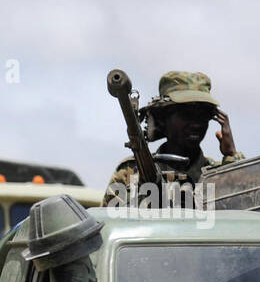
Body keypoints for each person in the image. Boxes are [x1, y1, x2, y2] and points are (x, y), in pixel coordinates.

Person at [102, 70, 244, 208]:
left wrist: (231, 156)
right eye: (185, 114)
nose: (195, 123)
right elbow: (109, 225)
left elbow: (249, 210)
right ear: (163, 118)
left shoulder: (218, 176)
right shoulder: (130, 174)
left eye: (203, 115)